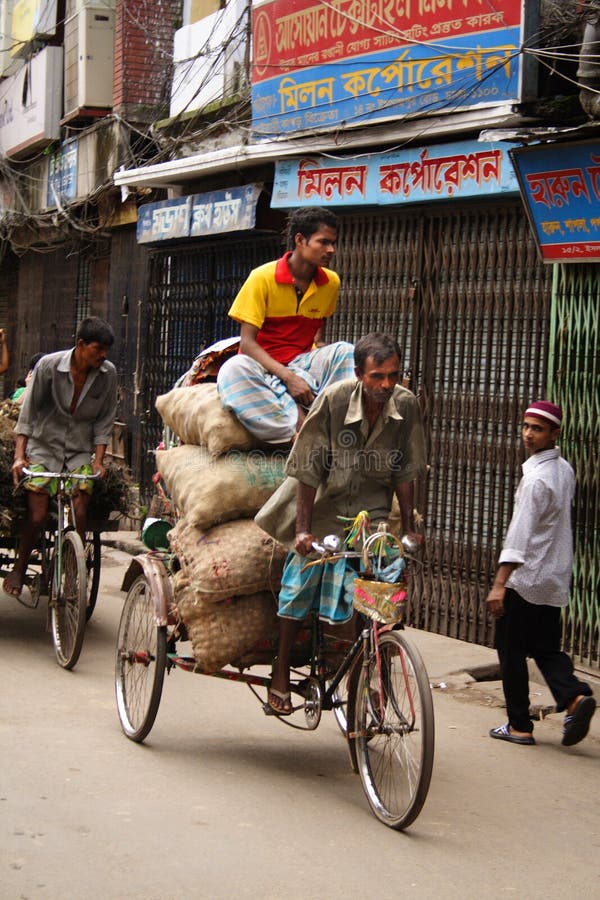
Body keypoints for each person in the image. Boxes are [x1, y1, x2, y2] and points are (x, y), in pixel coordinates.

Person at [256, 332, 426, 714]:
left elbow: (407, 468)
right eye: (377, 376)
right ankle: (281, 669)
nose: (385, 385)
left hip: (373, 519)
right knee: (300, 584)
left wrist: (410, 528)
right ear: (358, 373)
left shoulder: (407, 406)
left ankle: (371, 673)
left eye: (393, 376)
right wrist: (302, 530)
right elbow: (307, 468)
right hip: (325, 511)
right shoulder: (333, 401)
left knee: (382, 595)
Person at [486, 400, 596, 747]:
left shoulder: (536, 480)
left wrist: (500, 584)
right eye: (526, 427)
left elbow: (520, 534)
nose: (529, 435)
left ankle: (519, 725)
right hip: (554, 577)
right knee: (546, 648)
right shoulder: (564, 469)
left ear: (554, 433)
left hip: (527, 577)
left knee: (511, 650)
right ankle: (576, 696)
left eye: (538, 429)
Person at [217, 207, 355, 445]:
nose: (331, 250)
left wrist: (324, 357)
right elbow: (247, 344)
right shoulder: (261, 278)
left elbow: (317, 335)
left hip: (301, 365)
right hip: (259, 366)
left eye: (333, 243)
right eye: (323, 242)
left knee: (345, 351)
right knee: (232, 368)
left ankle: (326, 420)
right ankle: (297, 428)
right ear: (300, 240)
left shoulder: (331, 282)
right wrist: (288, 378)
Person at [3, 317, 118, 599]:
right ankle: (20, 567)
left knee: (81, 510)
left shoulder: (108, 374)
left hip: (79, 451)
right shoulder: (48, 367)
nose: (103, 355)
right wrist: (20, 457)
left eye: (106, 350)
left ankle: (72, 566)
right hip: (43, 447)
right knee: (38, 515)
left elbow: (104, 422)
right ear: (81, 345)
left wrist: (98, 462)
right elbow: (28, 415)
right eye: (98, 348)